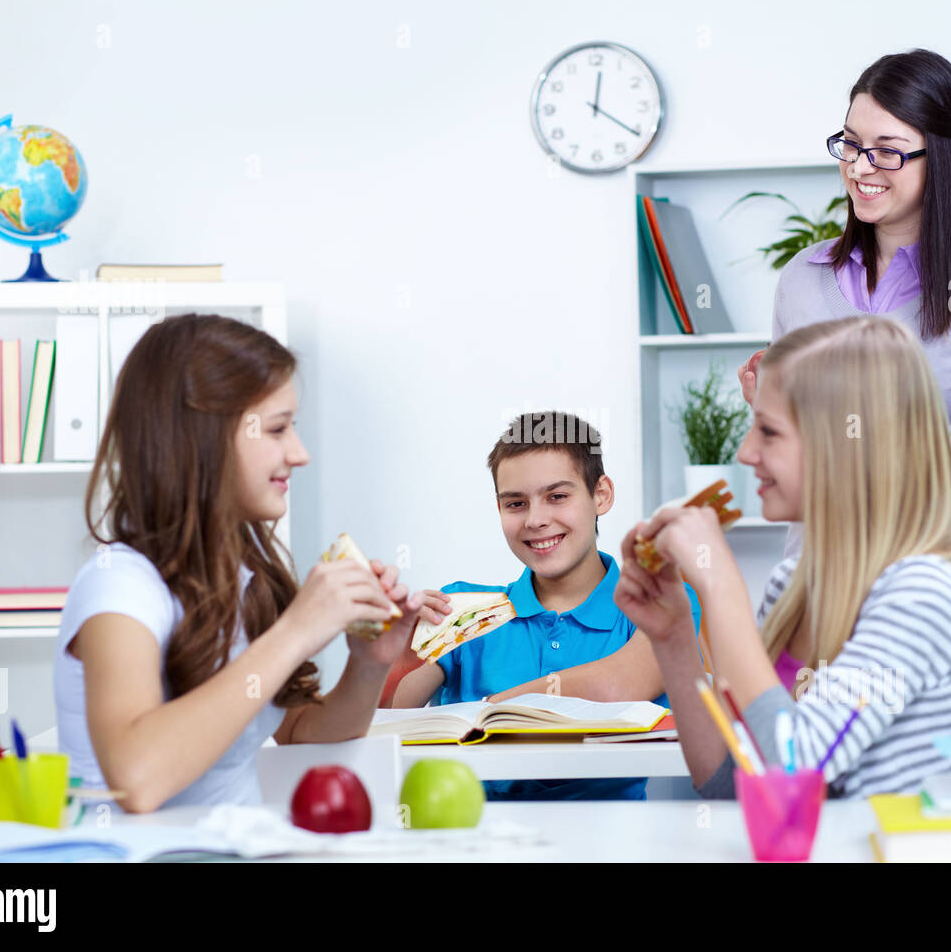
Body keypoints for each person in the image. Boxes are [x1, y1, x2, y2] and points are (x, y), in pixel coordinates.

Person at [737, 48, 951, 731]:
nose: (860, 168)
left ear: (941, 156)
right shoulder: (804, 278)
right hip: (820, 601)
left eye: (887, 151)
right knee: (812, 813)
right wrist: (778, 416)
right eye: (851, 144)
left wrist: (911, 446)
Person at [54, 314, 432, 812]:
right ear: (201, 437)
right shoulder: (120, 587)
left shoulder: (245, 578)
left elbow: (299, 732)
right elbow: (137, 780)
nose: (300, 454)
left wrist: (368, 664)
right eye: (277, 429)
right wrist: (295, 631)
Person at [620, 317, 951, 798]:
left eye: (768, 432)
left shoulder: (922, 594)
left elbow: (793, 776)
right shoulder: (791, 585)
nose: (744, 453)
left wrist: (721, 587)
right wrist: (673, 636)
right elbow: (729, 785)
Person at [392, 411, 702, 800]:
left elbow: (618, 686)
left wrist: (489, 711)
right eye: (516, 504)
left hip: (612, 841)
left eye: (557, 496)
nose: (536, 520)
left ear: (600, 495)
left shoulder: (663, 601)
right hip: (476, 838)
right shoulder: (462, 613)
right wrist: (400, 650)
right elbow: (388, 720)